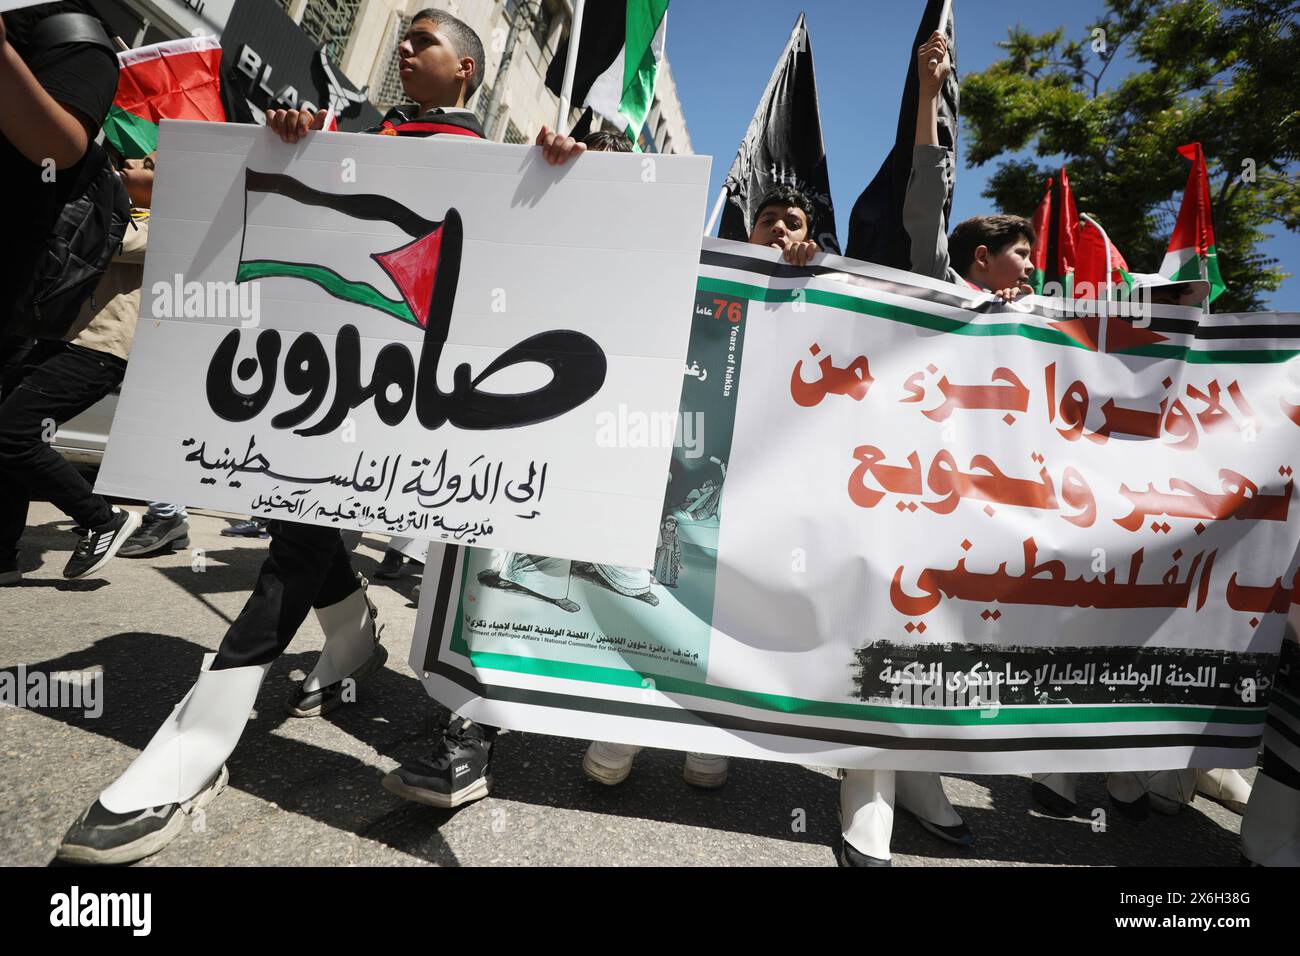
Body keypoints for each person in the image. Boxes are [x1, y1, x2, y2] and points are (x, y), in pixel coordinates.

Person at [55, 7, 586, 864]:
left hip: (440, 410)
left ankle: (452, 720)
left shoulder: (512, 168)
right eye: (402, 36)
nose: (405, 49)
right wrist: (286, 140)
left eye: (426, 40)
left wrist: (567, 177)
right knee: (298, 529)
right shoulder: (351, 132)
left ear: (469, 75)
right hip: (325, 389)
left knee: (456, 558)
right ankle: (235, 715)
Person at [0, 1, 141, 586]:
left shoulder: (150, 213)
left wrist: (108, 183)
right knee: (6, 436)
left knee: (10, 432)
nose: (135, 166)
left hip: (104, 345)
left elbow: (122, 246)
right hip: (59, 329)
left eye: (147, 162)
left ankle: (104, 517)